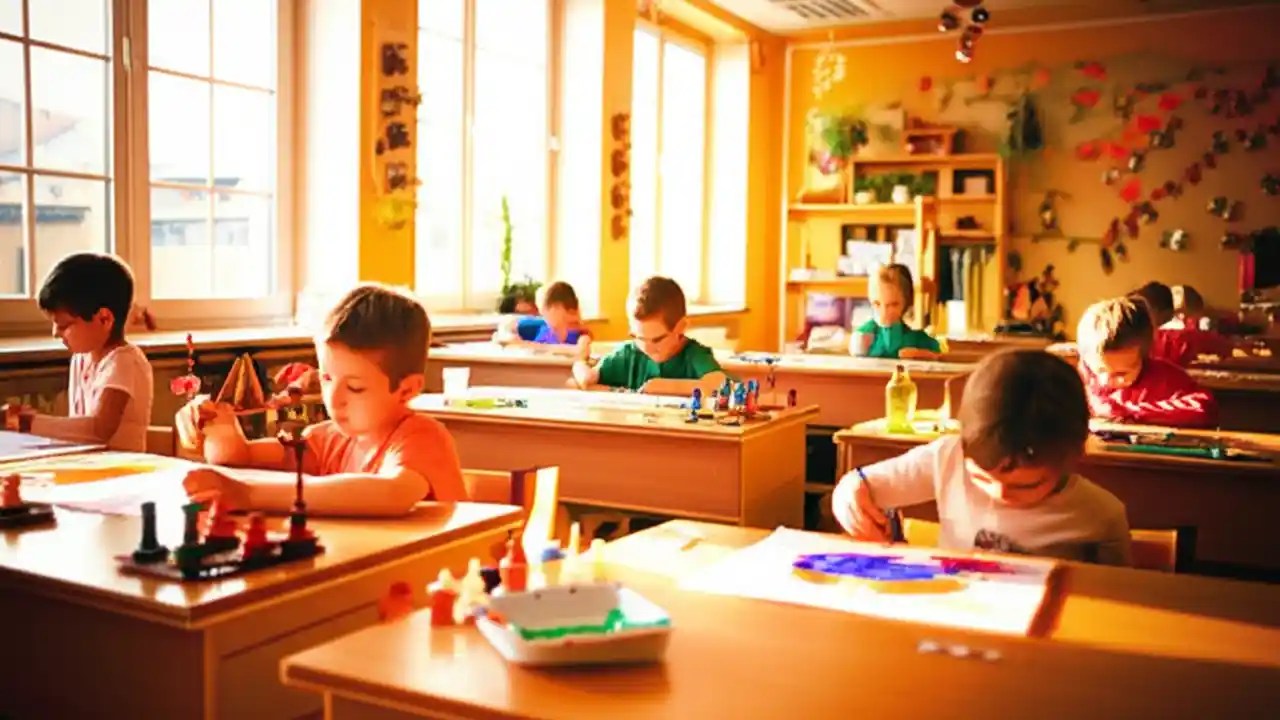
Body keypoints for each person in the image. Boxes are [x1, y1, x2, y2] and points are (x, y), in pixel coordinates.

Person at [176, 283, 466, 515]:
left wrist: (250, 495)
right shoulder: (327, 439)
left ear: (406, 389)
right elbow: (239, 459)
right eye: (326, 378)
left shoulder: (423, 437)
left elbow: (391, 493)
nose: (334, 399)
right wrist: (218, 425)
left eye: (354, 388)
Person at [833, 349, 1131, 565]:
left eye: (1026, 486)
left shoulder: (1101, 517)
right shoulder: (949, 457)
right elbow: (859, 484)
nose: (1000, 494)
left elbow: (1118, 601)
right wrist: (849, 496)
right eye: (980, 478)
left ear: (1072, 456)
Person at [25, 253, 153, 452]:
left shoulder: (123, 362)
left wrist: (28, 423)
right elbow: (79, 435)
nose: (55, 333)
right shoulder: (81, 359)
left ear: (104, 319)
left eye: (64, 325)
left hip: (121, 469)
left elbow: (98, 431)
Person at [1076, 296, 1218, 428]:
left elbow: (1204, 408)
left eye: (1122, 374)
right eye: (1100, 370)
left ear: (1144, 357)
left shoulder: (1164, 378)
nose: (1106, 381)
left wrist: (1129, 412)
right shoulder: (1081, 377)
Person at [571, 276, 725, 394]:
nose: (647, 348)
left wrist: (660, 386)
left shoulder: (694, 355)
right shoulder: (627, 354)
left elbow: (719, 385)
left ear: (681, 327)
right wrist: (580, 362)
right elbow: (587, 379)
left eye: (657, 340)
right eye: (638, 338)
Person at [849, 264, 940, 359]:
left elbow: (937, 354)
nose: (884, 312)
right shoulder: (868, 332)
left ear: (907, 301)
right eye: (877, 304)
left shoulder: (916, 339)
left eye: (893, 305)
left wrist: (923, 354)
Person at [493, 280, 591, 356]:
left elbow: (581, 351)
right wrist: (512, 340)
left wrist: (526, 345)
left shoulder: (580, 334)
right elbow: (505, 326)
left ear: (555, 308)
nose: (540, 314)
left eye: (543, 309)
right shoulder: (542, 326)